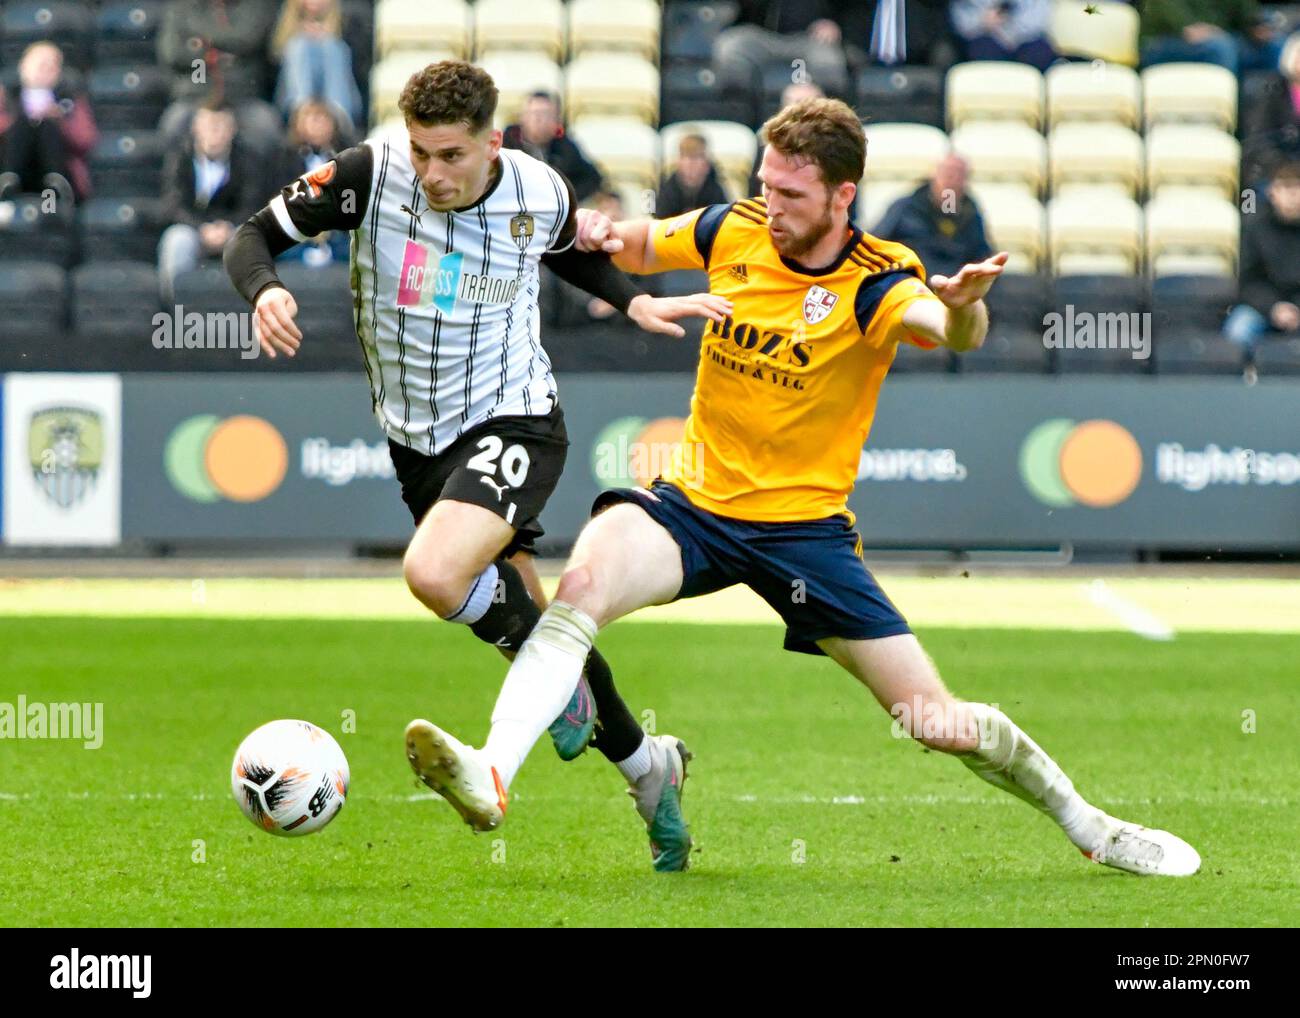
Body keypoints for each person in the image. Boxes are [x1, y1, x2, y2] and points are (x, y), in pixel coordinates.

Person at [405, 97, 1202, 879]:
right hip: (693, 507)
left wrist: (964, 312)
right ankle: (492, 771)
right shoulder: (734, 227)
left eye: (790, 193)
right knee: (578, 590)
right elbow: (642, 246)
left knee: (936, 723)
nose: (771, 205)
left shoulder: (878, 277)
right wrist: (606, 231)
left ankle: (1091, 825)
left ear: (841, 195)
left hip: (804, 538)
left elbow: (943, 326)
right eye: (766, 185)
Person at [224, 61, 729, 865]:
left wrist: (634, 299)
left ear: (493, 143)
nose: (432, 173)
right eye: (422, 152)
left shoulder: (538, 186)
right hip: (418, 442)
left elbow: (566, 249)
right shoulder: (366, 176)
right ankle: (649, 769)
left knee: (433, 574)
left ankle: (505, 761)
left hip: (515, 417)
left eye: (452, 156)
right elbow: (252, 236)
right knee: (545, 639)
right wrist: (264, 291)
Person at [159, 101, 263, 301]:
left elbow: (252, 203)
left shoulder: (248, 158)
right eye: (208, 125)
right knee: (177, 241)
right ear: (195, 128)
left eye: (221, 126)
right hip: (193, 228)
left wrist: (228, 227)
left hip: (232, 228)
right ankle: (174, 307)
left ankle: (249, 312)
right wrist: (201, 228)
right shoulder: (180, 157)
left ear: (232, 130)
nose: (214, 132)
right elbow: (173, 205)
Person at [0, 42, 98, 205]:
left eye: (52, 65)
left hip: (52, 176)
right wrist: (16, 120)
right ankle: (9, 181)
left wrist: (59, 120)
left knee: (47, 126)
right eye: (40, 64)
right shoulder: (7, 97)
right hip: (16, 170)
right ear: (23, 66)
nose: (46, 69)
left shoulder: (69, 98)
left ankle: (55, 186)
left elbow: (86, 139)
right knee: (23, 125)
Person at [872, 152, 992, 280]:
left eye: (959, 173)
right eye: (946, 172)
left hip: (955, 291)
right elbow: (877, 245)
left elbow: (981, 256)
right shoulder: (905, 208)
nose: (951, 178)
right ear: (933, 174)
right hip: (910, 288)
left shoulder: (971, 214)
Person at [1224, 160, 1300, 351]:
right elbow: (1249, 282)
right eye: (1286, 188)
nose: (1293, 196)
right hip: (1266, 307)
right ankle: (1245, 378)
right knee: (1238, 330)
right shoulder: (1255, 226)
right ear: (1272, 192)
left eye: (1298, 189)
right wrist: (1274, 308)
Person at [273, 99, 352, 266]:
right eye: (312, 120)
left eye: (324, 120)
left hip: (337, 235)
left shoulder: (345, 158)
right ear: (299, 124)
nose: (319, 126)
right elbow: (280, 200)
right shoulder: (283, 158)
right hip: (297, 234)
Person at [271, 0, 364, 129]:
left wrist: (326, 36)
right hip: (290, 104)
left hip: (342, 100)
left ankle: (337, 121)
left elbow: (359, 67)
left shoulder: (348, 22)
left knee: (331, 47)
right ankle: (303, 116)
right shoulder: (282, 26)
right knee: (299, 46)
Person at [501, 92, 602, 203]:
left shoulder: (565, 147)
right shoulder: (506, 145)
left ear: (556, 119)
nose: (538, 120)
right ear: (522, 117)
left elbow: (592, 178)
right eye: (534, 113)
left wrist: (566, 201)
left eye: (545, 114)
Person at [1139, 0, 1272, 76]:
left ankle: (1277, 121)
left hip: (1220, 39)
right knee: (1222, 48)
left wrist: (1259, 28)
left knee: (1275, 47)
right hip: (1162, 43)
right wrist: (1196, 29)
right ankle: (1231, 121)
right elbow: (1190, 32)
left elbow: (1249, 16)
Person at [949, 0, 1056, 72]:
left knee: (1038, 53)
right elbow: (960, 23)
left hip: (1026, 38)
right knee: (983, 50)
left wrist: (1012, 29)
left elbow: (1039, 21)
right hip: (983, 38)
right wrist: (982, 21)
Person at [656, 133, 730, 220]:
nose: (691, 164)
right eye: (686, 157)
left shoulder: (716, 191)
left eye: (696, 157)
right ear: (678, 162)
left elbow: (724, 220)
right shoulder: (668, 191)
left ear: (706, 163)